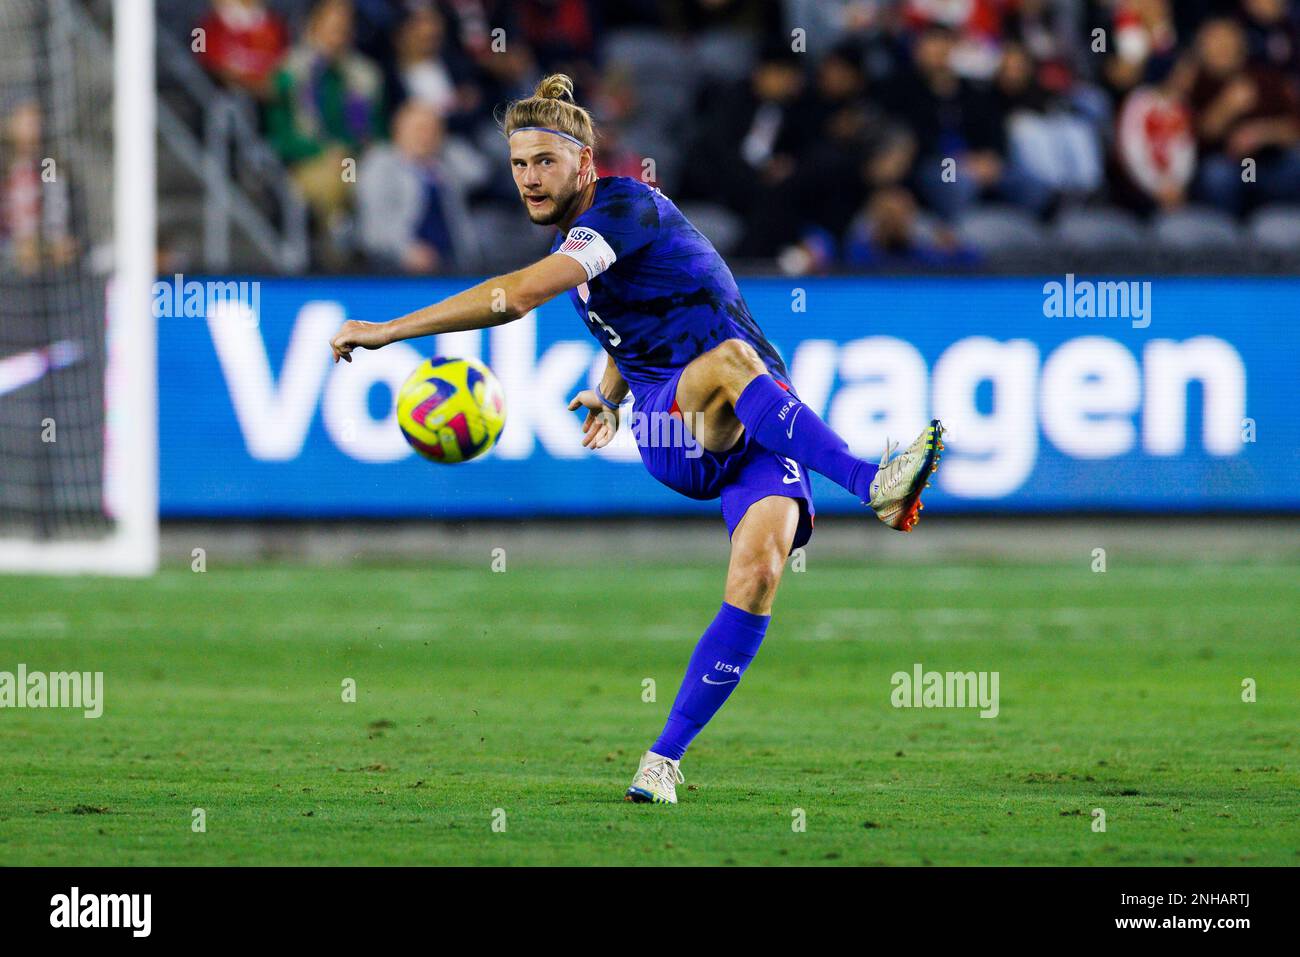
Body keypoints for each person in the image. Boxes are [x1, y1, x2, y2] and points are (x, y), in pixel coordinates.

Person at [328, 74, 944, 806]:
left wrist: (396, 331)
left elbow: (550, 300)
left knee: (759, 570)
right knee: (729, 358)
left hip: (758, 409)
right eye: (519, 164)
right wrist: (614, 392)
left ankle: (663, 759)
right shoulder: (589, 233)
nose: (529, 178)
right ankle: (874, 483)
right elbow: (575, 311)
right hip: (676, 417)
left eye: (544, 162)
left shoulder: (623, 208)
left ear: (584, 162)